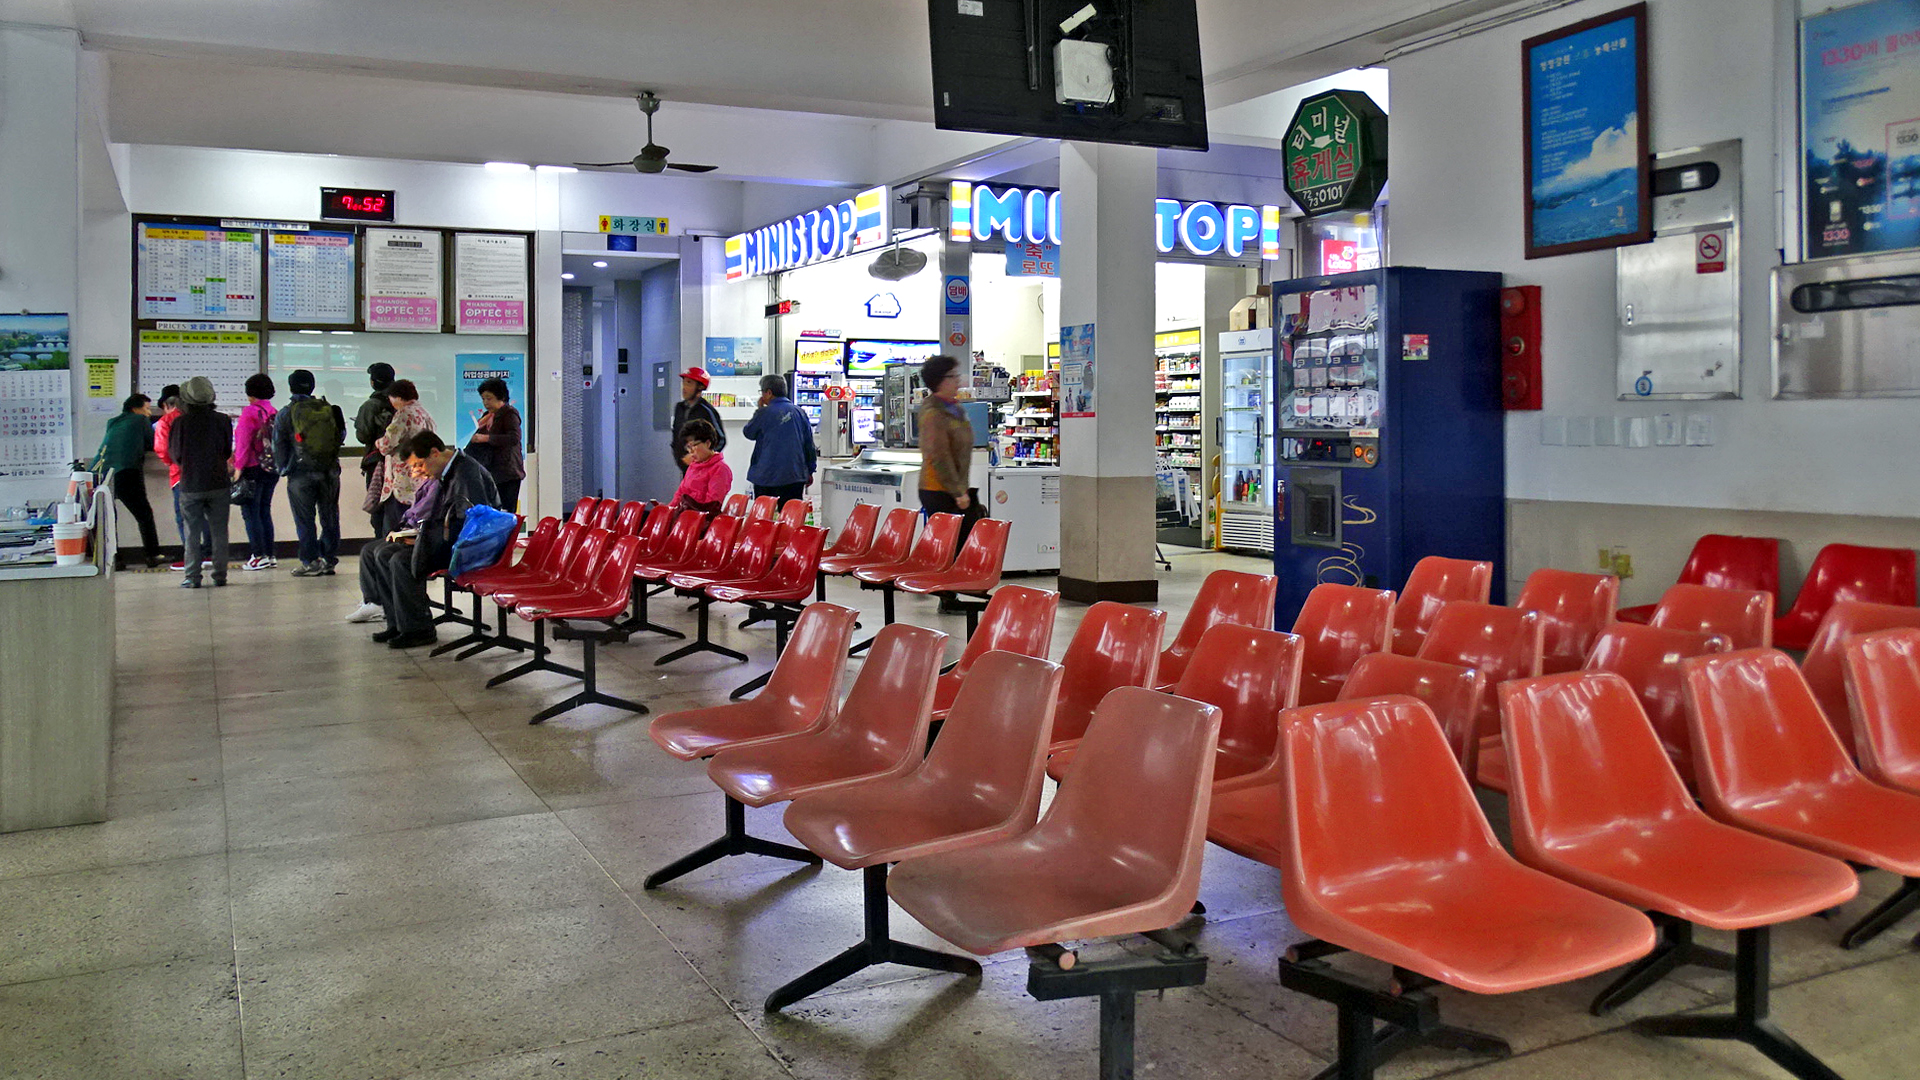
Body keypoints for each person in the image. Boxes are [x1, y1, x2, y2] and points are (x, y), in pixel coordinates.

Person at [358, 431, 498, 649]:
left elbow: (469, 524)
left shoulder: (465, 472)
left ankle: (419, 629)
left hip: (468, 548)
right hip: (448, 539)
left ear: (434, 453)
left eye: (420, 464)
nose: (418, 472)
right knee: (376, 551)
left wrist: (424, 540)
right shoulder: (448, 471)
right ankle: (398, 623)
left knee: (399, 560)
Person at [275, 368, 346, 577]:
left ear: (290, 387)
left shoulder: (286, 413)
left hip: (300, 474)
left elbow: (278, 444)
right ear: (313, 386)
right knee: (330, 516)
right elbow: (341, 435)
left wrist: (285, 469)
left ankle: (310, 561)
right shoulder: (330, 410)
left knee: (305, 519)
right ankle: (329, 560)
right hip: (329, 472)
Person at [168, 376, 233, 589]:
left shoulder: (180, 423)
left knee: (192, 531)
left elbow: (175, 455)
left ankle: (193, 577)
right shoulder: (223, 420)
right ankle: (220, 575)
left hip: (191, 484)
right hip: (219, 483)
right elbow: (225, 452)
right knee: (219, 531)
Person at [917, 353, 983, 546]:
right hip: (939, 490)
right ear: (940, 381)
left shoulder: (955, 409)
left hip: (955, 488)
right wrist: (957, 493)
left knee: (961, 544)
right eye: (953, 376)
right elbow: (939, 456)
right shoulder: (933, 413)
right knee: (950, 547)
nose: (958, 381)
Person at [96, 393, 165, 569]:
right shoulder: (140, 420)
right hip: (127, 471)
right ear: (136, 409)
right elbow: (152, 443)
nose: (149, 413)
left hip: (103, 473)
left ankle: (115, 559)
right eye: (147, 409)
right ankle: (152, 555)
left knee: (110, 518)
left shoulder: (113, 422)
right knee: (144, 515)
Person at [152, 385, 207, 572]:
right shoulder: (199, 418)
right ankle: (208, 553)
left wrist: (174, 464)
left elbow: (162, 450)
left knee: (184, 517)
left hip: (181, 476)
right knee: (204, 514)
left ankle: (192, 556)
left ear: (167, 405)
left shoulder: (166, 421)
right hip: (205, 473)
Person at [742, 373, 816, 506]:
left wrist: (759, 411)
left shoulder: (764, 413)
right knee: (791, 517)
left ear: (769, 393)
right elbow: (809, 444)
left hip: (766, 476)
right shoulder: (800, 412)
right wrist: (810, 470)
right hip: (795, 475)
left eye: (762, 392)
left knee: (764, 518)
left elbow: (749, 433)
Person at [373, 378, 435, 536]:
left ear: (399, 397)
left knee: (394, 525)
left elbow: (387, 444)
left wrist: (378, 442)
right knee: (413, 523)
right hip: (420, 476)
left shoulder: (403, 414)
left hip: (402, 479)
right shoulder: (423, 412)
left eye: (391, 398)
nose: (391, 402)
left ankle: (389, 557)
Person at [233, 373, 279, 570]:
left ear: (249, 392)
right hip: (272, 467)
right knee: (264, 511)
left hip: (253, 467)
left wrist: (238, 468)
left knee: (251, 513)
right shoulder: (274, 411)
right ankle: (269, 554)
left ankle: (258, 555)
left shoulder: (250, 413)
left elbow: (243, 444)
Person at [465, 377, 525, 512]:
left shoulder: (509, 414)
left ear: (501, 397)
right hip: (492, 470)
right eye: (483, 399)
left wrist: (486, 438)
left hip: (507, 471)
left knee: (505, 511)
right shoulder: (488, 416)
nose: (485, 403)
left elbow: (514, 438)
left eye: (489, 398)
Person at [355, 362, 397, 536]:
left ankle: (380, 544)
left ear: (373, 382)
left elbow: (363, 436)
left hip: (377, 462)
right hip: (401, 463)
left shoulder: (370, 405)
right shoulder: (401, 403)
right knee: (396, 507)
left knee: (378, 506)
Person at [669, 419, 731, 513]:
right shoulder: (693, 466)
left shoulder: (720, 469)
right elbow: (680, 493)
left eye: (693, 445)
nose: (690, 451)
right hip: (685, 516)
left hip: (701, 520)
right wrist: (669, 511)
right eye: (688, 447)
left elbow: (711, 505)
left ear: (707, 443)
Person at [671, 367, 725, 472]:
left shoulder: (706, 411)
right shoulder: (679, 408)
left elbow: (720, 440)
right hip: (686, 468)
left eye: (689, 383)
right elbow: (676, 436)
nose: (684, 388)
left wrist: (702, 457)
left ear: (700, 387)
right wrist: (680, 458)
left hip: (703, 470)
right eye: (684, 383)